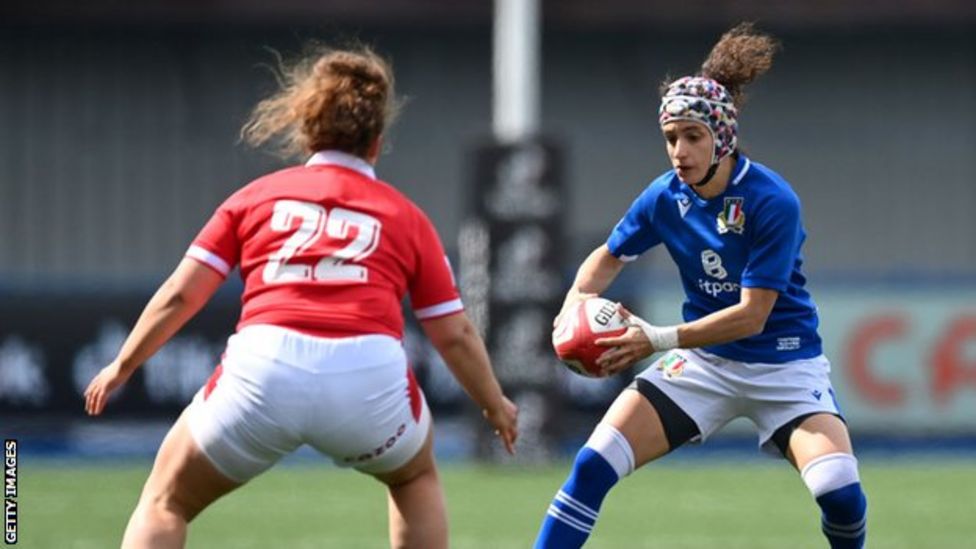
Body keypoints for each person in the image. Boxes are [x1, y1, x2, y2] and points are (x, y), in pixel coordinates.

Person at [83, 46, 519, 549]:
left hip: (265, 371)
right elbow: (455, 335)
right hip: (367, 380)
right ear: (376, 143)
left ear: (306, 130)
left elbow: (182, 294)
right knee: (413, 478)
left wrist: (123, 362)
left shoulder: (255, 197)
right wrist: (494, 405)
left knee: (166, 501)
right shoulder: (407, 218)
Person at [534, 23, 867, 548]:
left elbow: (752, 315)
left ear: (724, 137)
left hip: (784, 365)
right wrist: (576, 300)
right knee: (593, 465)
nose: (679, 151)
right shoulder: (664, 196)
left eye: (693, 136)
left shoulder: (771, 200)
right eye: (671, 138)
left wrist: (657, 339)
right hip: (705, 366)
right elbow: (606, 257)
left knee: (839, 491)